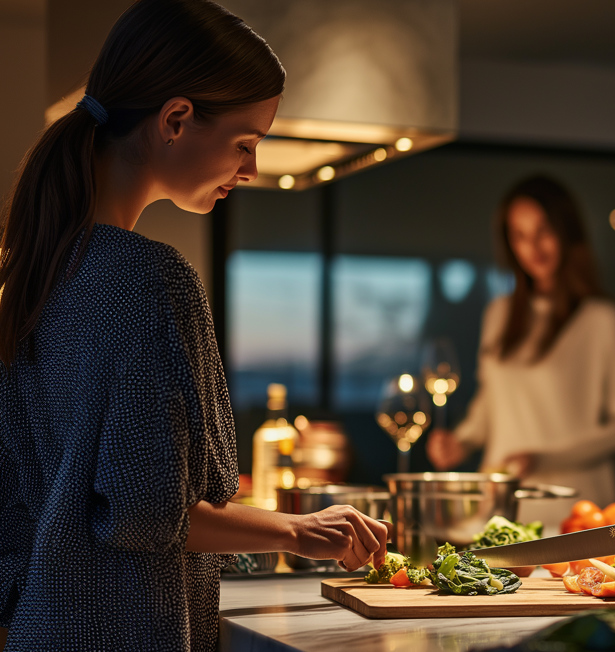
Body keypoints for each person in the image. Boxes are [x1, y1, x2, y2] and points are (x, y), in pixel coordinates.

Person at [0, 1, 387, 650]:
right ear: (176, 120)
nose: (252, 169)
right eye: (246, 143)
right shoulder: (151, 280)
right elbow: (149, 514)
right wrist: (299, 531)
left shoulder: (31, 278)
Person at [426, 175, 615, 532]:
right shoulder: (499, 314)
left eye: (543, 230)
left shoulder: (602, 319)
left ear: (566, 232)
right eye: (520, 235)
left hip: (575, 514)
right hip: (501, 510)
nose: (533, 246)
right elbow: (491, 402)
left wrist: (546, 457)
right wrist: (461, 441)